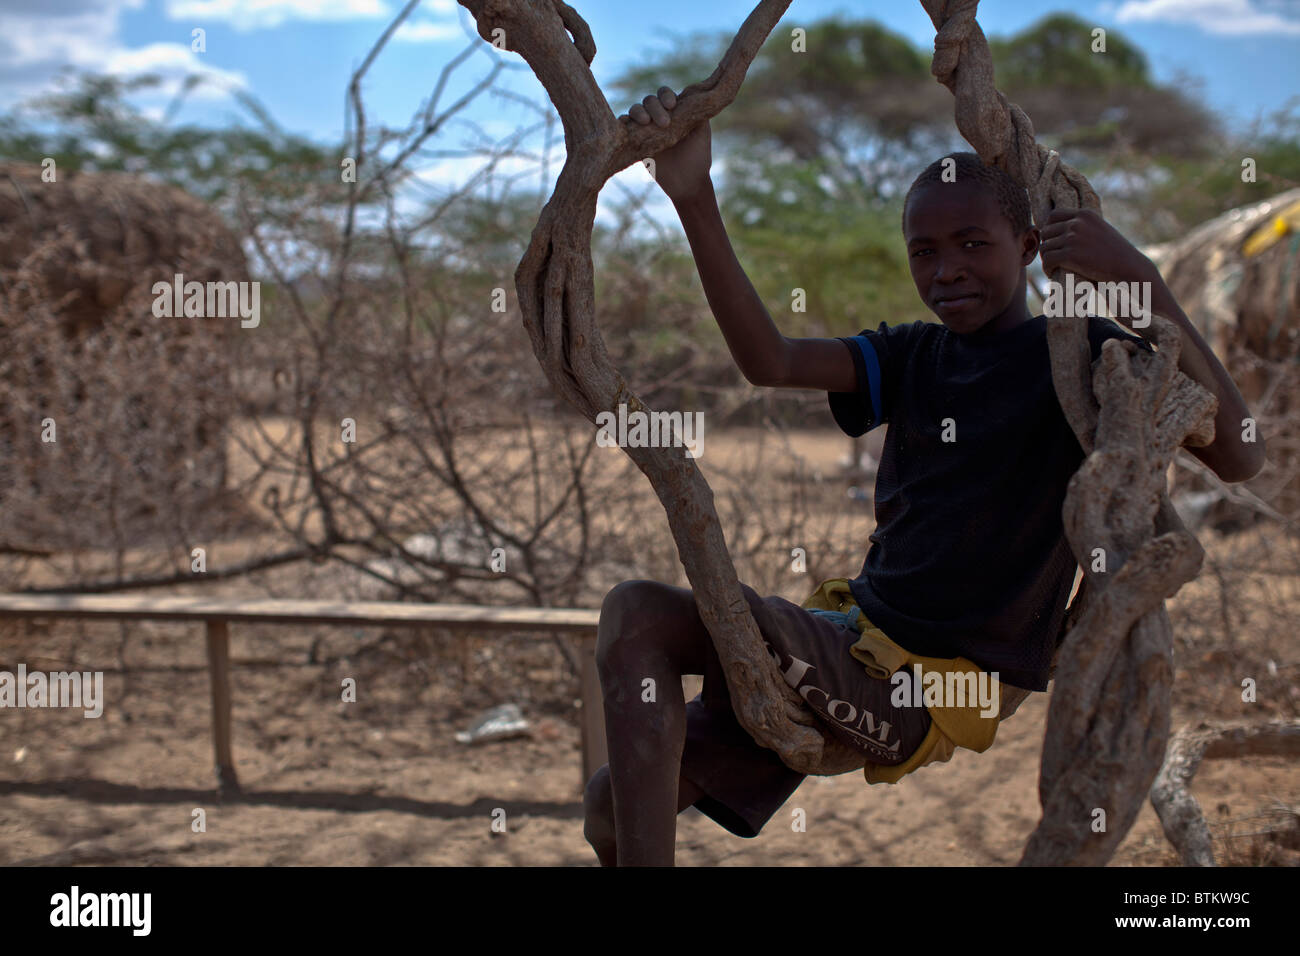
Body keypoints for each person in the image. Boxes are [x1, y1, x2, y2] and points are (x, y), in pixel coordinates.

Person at [583, 86, 1266, 867]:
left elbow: (1242, 451)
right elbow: (766, 360)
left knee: (638, 612)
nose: (948, 270)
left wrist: (1137, 278)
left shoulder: (1085, 361)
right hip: (849, 640)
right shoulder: (913, 355)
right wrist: (693, 192)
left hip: (936, 684)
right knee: (610, 807)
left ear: (1028, 243)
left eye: (974, 244)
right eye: (925, 251)